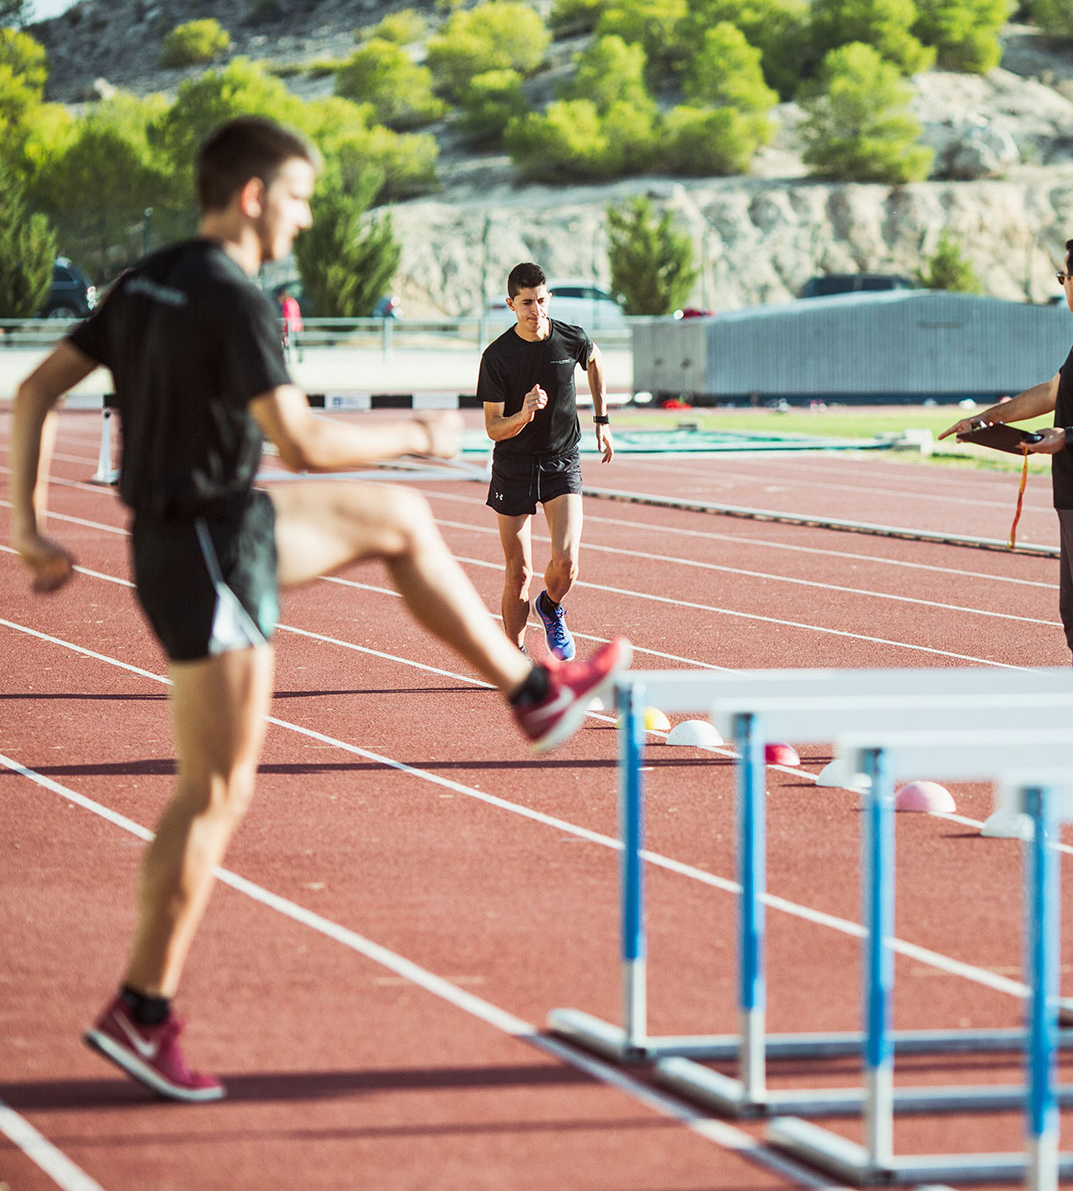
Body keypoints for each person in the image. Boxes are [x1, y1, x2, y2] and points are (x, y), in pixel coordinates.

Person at [8, 116, 633, 1103]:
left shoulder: (146, 279)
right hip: (210, 554)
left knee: (397, 522)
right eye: (298, 198)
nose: (303, 219)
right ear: (253, 195)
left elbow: (38, 389)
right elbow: (300, 442)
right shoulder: (233, 294)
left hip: (210, 532)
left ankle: (531, 692)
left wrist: (34, 526)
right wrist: (420, 431)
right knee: (213, 794)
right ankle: (143, 1008)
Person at [937, 233, 1073, 666]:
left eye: (1062, 277)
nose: (1063, 284)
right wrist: (987, 419)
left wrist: (1066, 437)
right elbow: (1052, 392)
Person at [479, 261, 615, 661]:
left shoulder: (570, 338)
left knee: (567, 562)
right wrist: (523, 415)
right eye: (526, 303)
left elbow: (595, 359)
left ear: (549, 298)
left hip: (561, 461)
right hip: (514, 466)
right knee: (519, 572)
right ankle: (514, 657)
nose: (535, 310)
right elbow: (493, 427)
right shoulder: (497, 356)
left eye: (541, 301)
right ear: (511, 304)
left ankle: (551, 606)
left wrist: (602, 420)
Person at [276, 286, 302, 362]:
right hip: (297, 326)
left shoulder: (287, 304)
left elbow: (288, 316)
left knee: (286, 343)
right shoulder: (294, 302)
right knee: (297, 343)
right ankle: (299, 357)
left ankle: (288, 358)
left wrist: (285, 328)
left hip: (291, 327)